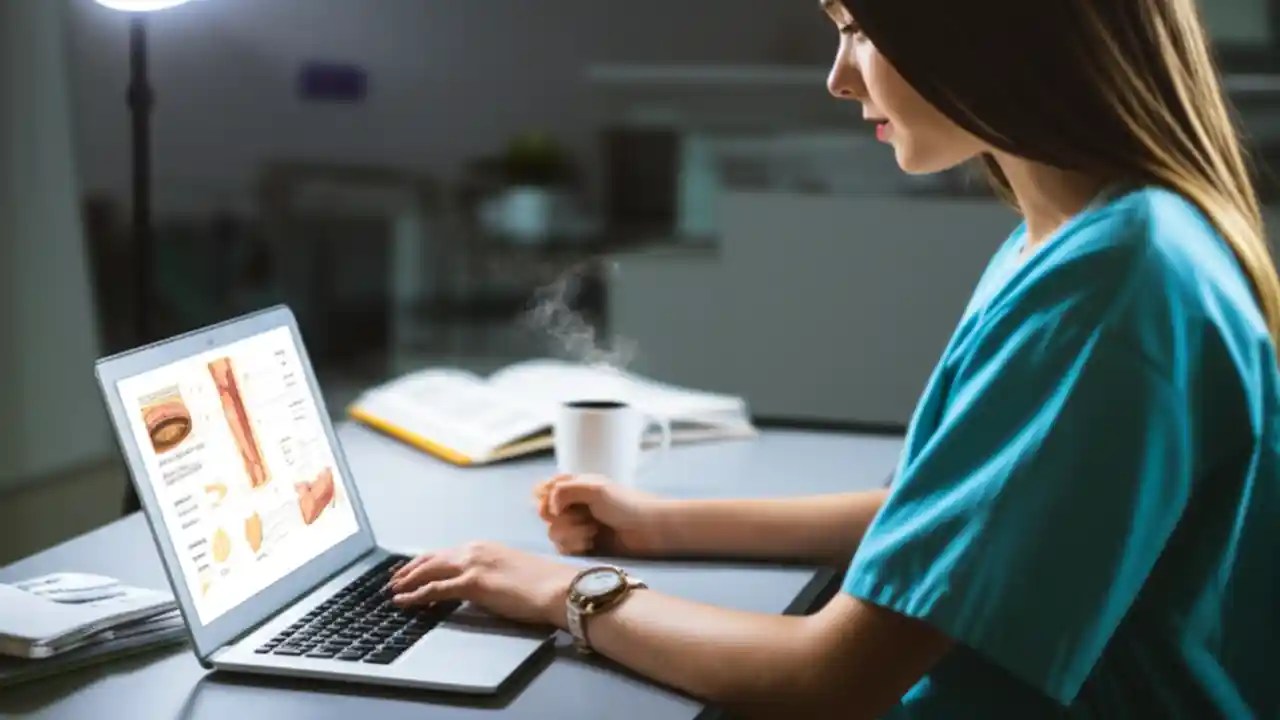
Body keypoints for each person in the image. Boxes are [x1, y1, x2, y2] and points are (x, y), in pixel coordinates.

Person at [387, 0, 1279, 716]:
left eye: (859, 30)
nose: (839, 78)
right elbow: (954, 515)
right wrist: (664, 527)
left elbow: (832, 680)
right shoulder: (1085, 236)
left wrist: (565, 592)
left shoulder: (1110, 283)